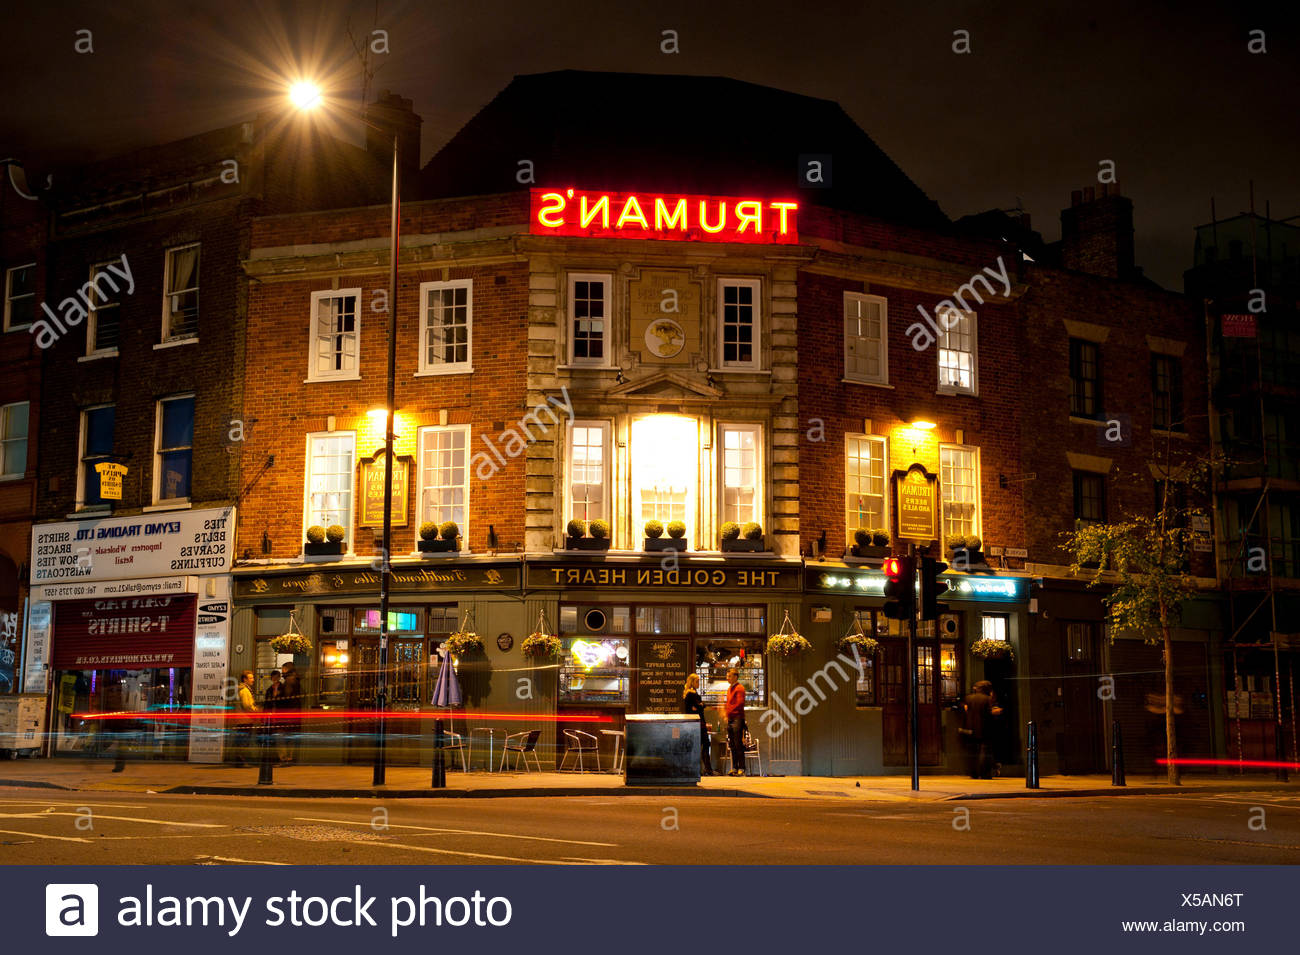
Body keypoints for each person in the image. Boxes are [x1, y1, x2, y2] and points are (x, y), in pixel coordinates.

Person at [682, 673, 714, 775]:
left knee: (700, 745)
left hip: (697, 723)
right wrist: (700, 705)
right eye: (697, 681)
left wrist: (700, 705)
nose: (699, 683)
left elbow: (698, 707)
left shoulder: (691, 693)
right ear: (692, 682)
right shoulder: (691, 694)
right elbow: (696, 707)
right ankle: (706, 769)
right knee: (703, 744)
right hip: (698, 723)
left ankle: (704, 769)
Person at [962, 680, 995, 779]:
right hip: (983, 727)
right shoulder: (987, 699)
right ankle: (984, 773)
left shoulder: (968, 698)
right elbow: (989, 713)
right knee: (984, 751)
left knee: (972, 751)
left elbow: (966, 710)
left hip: (970, 727)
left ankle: (973, 773)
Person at [724, 667, 747, 776]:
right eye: (727, 676)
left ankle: (742, 768)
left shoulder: (740, 688)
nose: (727, 678)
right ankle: (734, 767)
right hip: (730, 718)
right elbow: (728, 703)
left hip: (737, 718)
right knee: (732, 744)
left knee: (738, 744)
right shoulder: (729, 688)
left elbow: (740, 704)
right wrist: (726, 713)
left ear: (735, 677)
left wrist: (729, 711)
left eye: (729, 676)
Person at [233, 669, 258, 767]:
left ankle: (240, 761)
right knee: (243, 741)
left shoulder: (244, 689)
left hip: (243, 719)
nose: (253, 680)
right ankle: (240, 762)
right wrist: (255, 710)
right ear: (245, 679)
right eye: (251, 678)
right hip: (245, 719)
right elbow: (247, 706)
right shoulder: (244, 690)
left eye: (253, 677)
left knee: (242, 740)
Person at [279, 661, 303, 762]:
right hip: (295, 713)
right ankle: (291, 757)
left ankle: (285, 758)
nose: (282, 671)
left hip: (288, 713)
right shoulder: (296, 680)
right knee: (292, 737)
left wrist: (278, 695)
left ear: (287, 669)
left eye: (283, 669)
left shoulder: (289, 681)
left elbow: (286, 697)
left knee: (283, 737)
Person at [263, 669, 284, 762]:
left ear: (279, 678)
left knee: (280, 738)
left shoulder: (283, 689)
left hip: (280, 717)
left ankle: (281, 758)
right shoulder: (269, 690)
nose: (275, 679)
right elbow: (266, 704)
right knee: (272, 738)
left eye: (277, 677)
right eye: (273, 677)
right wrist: (264, 718)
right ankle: (273, 758)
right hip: (271, 718)